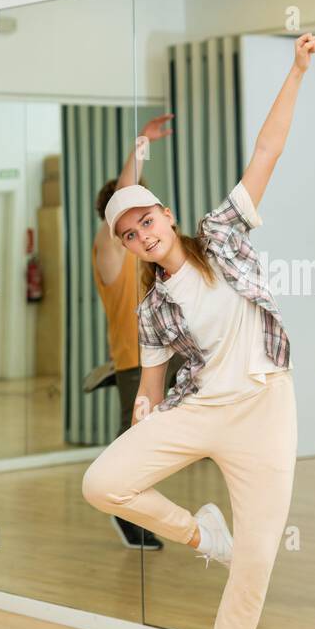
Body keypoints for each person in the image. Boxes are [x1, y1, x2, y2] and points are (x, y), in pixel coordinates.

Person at [83, 34, 315, 629]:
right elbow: (151, 384)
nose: (141, 235)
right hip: (203, 410)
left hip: (266, 409)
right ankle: (198, 533)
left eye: (145, 220)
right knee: (103, 482)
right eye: (128, 234)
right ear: (125, 248)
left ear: (167, 217)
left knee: (259, 557)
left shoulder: (222, 236)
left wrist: (297, 70)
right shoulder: (150, 308)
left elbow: (267, 152)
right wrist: (144, 412)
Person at [90, 113, 173, 552]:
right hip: (134, 362)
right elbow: (125, 194)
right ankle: (125, 513)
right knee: (134, 443)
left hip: (161, 357)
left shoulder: (143, 254)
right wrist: (141, 142)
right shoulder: (109, 252)